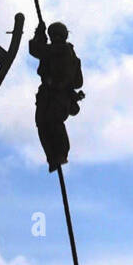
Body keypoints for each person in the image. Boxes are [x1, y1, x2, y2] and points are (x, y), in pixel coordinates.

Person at [29, 21, 84, 172]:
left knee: (52, 123)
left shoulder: (62, 49)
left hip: (58, 95)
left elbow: (36, 49)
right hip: (50, 94)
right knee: (43, 124)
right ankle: (53, 157)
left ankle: (59, 155)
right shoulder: (61, 51)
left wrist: (39, 34)